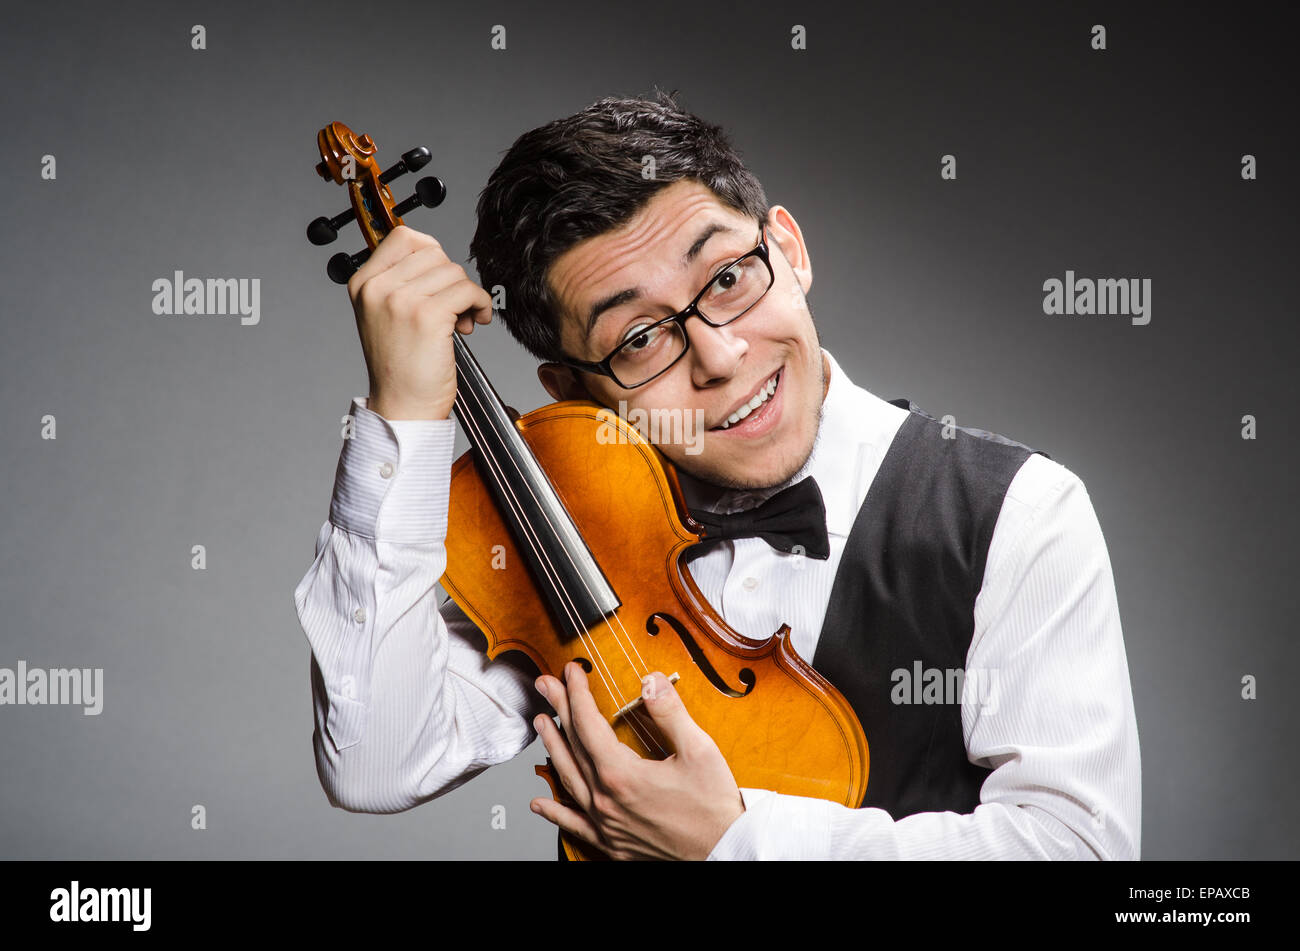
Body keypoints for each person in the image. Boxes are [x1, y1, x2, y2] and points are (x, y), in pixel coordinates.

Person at [293, 92, 1141, 861]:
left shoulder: (1019, 514)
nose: (722, 356)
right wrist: (403, 412)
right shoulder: (570, 517)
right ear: (573, 390)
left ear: (790, 249)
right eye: (639, 339)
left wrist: (735, 843)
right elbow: (374, 762)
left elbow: (1073, 850)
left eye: (728, 278)